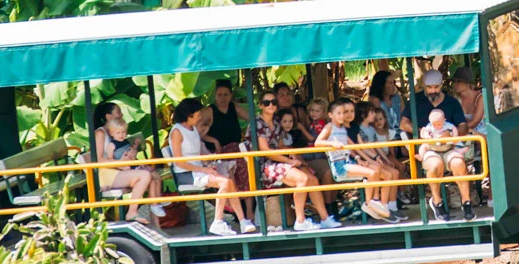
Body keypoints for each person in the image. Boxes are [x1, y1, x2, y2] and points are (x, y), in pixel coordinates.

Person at [169, 98, 256, 237]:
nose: (200, 117)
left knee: (229, 181)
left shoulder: (193, 129)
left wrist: (212, 160)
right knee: (224, 182)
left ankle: (243, 221)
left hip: (199, 169)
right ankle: (217, 221)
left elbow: (200, 152)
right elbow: (179, 162)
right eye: (197, 114)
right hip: (187, 174)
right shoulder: (177, 132)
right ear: (189, 115)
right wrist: (205, 170)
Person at [255, 93, 338, 231]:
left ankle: (325, 218)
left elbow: (281, 145)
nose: (271, 105)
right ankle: (300, 220)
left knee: (312, 179)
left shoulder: (276, 122)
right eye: (267, 102)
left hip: (281, 160)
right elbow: (266, 151)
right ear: (260, 105)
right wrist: (288, 160)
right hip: (267, 164)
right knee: (303, 179)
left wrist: (294, 156)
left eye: (274, 102)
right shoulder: (258, 123)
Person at [315, 99, 390, 221]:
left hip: (349, 161)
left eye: (343, 113)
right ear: (330, 115)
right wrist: (332, 144)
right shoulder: (329, 127)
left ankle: (374, 200)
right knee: (371, 173)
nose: (342, 116)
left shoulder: (343, 129)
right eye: (338, 113)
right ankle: (369, 202)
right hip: (340, 165)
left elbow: (351, 147)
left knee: (376, 168)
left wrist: (358, 158)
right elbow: (317, 143)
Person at [91, 103, 166, 225]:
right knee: (145, 176)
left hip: (120, 170)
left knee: (154, 177)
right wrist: (120, 163)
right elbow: (98, 160)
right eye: (118, 112)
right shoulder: (100, 133)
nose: (121, 115)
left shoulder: (118, 132)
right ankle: (131, 212)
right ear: (108, 117)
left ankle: (156, 223)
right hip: (108, 174)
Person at [418, 108, 473, 222]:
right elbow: (423, 132)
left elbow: (456, 133)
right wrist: (427, 137)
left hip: (448, 148)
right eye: (435, 124)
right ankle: (437, 202)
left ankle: (466, 202)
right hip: (432, 149)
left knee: (458, 163)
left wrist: (451, 137)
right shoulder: (429, 128)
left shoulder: (449, 125)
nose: (437, 126)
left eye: (439, 123)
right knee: (435, 165)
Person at [352, 101, 402, 218]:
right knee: (388, 175)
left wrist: (386, 159)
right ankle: (383, 207)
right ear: (364, 115)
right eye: (372, 112)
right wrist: (375, 159)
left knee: (395, 172)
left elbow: (376, 145)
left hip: (376, 159)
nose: (374, 115)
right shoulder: (360, 130)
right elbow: (364, 148)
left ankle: (392, 205)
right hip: (368, 161)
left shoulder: (370, 128)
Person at [402, 70, 466, 134]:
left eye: (436, 87)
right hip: (422, 142)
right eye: (429, 87)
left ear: (441, 85)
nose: (433, 91)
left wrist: (451, 134)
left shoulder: (452, 102)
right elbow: (403, 124)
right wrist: (422, 132)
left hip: (449, 142)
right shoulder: (415, 100)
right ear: (424, 85)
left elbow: (463, 125)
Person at [450, 66, 486, 135]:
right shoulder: (456, 99)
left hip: (481, 133)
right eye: (454, 81)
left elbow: (475, 122)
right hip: (462, 133)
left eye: (459, 81)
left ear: (468, 83)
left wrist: (457, 131)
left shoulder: (480, 97)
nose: (455, 84)